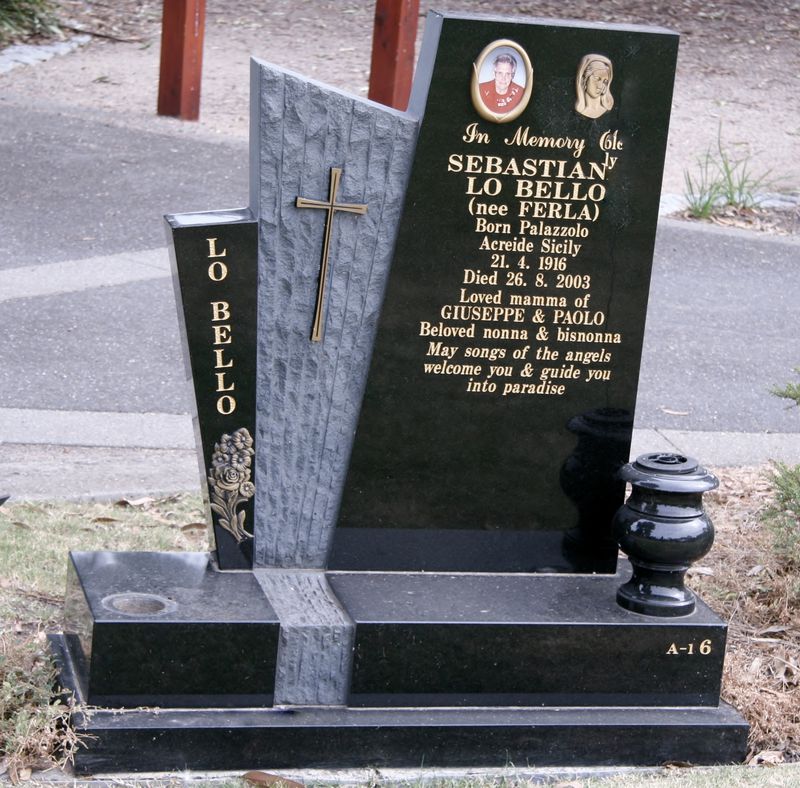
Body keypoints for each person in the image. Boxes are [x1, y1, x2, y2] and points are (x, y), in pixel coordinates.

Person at [575, 54, 614, 118]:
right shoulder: (581, 111)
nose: (600, 86)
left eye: (605, 82)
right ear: (584, 79)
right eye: (597, 78)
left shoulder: (605, 111)